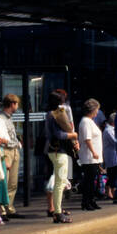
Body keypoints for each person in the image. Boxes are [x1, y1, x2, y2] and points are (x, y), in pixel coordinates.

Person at [45, 88, 77, 223]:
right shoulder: (55, 115)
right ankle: (57, 212)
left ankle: (57, 209)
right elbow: (59, 135)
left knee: (59, 181)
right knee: (60, 183)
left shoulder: (49, 114)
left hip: (53, 150)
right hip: (59, 150)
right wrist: (73, 135)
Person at [0, 94, 22, 215]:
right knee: (5, 181)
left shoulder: (9, 118)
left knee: (13, 181)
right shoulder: (0, 119)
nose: (17, 106)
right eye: (16, 104)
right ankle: (3, 208)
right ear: (12, 104)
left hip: (14, 149)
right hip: (7, 150)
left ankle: (9, 207)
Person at [77, 99, 103, 211]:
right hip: (89, 157)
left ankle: (91, 200)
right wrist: (94, 152)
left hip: (94, 157)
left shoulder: (90, 121)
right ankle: (86, 201)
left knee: (92, 180)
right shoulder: (86, 122)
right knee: (89, 180)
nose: (97, 112)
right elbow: (87, 139)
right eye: (96, 110)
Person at [102, 111, 117, 201]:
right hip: (111, 156)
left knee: (112, 174)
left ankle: (109, 191)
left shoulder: (111, 129)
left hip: (113, 155)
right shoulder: (109, 130)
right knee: (113, 174)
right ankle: (111, 191)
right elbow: (115, 142)